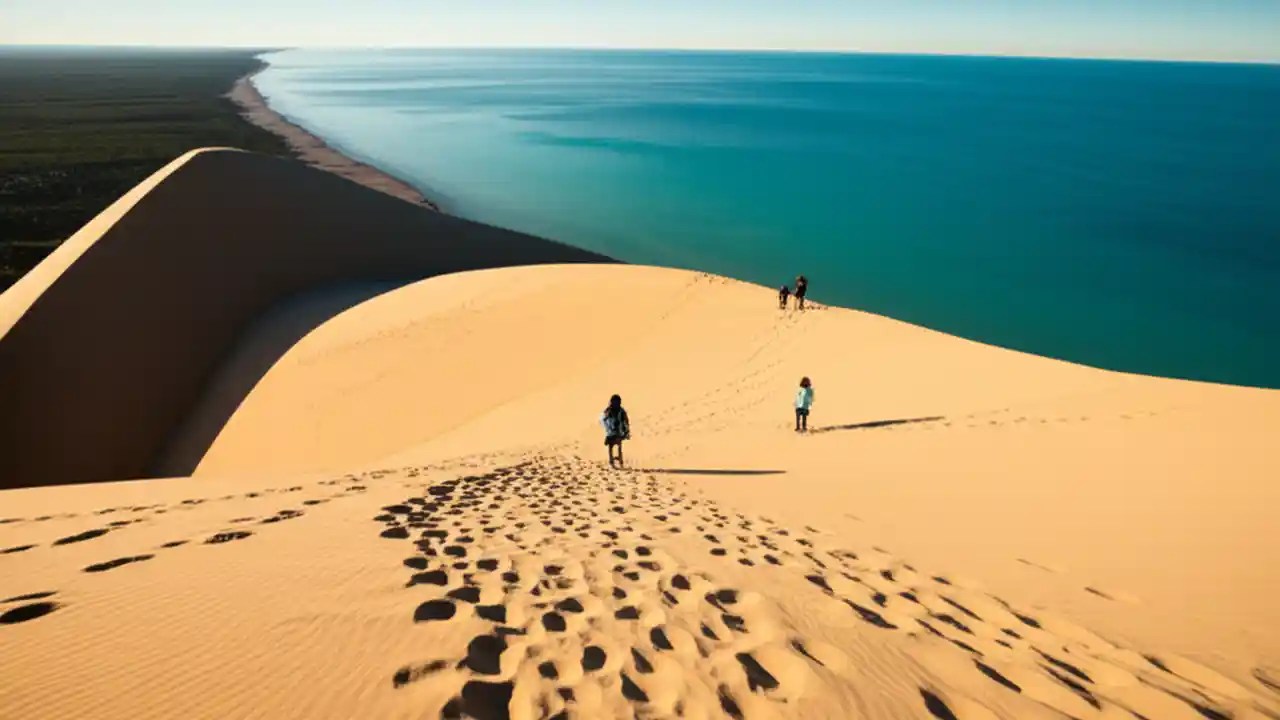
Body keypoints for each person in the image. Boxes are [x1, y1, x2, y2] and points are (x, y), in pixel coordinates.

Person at [600, 394, 631, 467]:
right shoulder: (608, 410)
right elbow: (603, 420)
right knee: (611, 446)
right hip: (611, 432)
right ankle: (612, 461)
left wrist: (626, 431)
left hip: (618, 432)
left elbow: (626, 421)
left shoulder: (621, 411)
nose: (615, 403)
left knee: (618, 446)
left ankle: (619, 461)